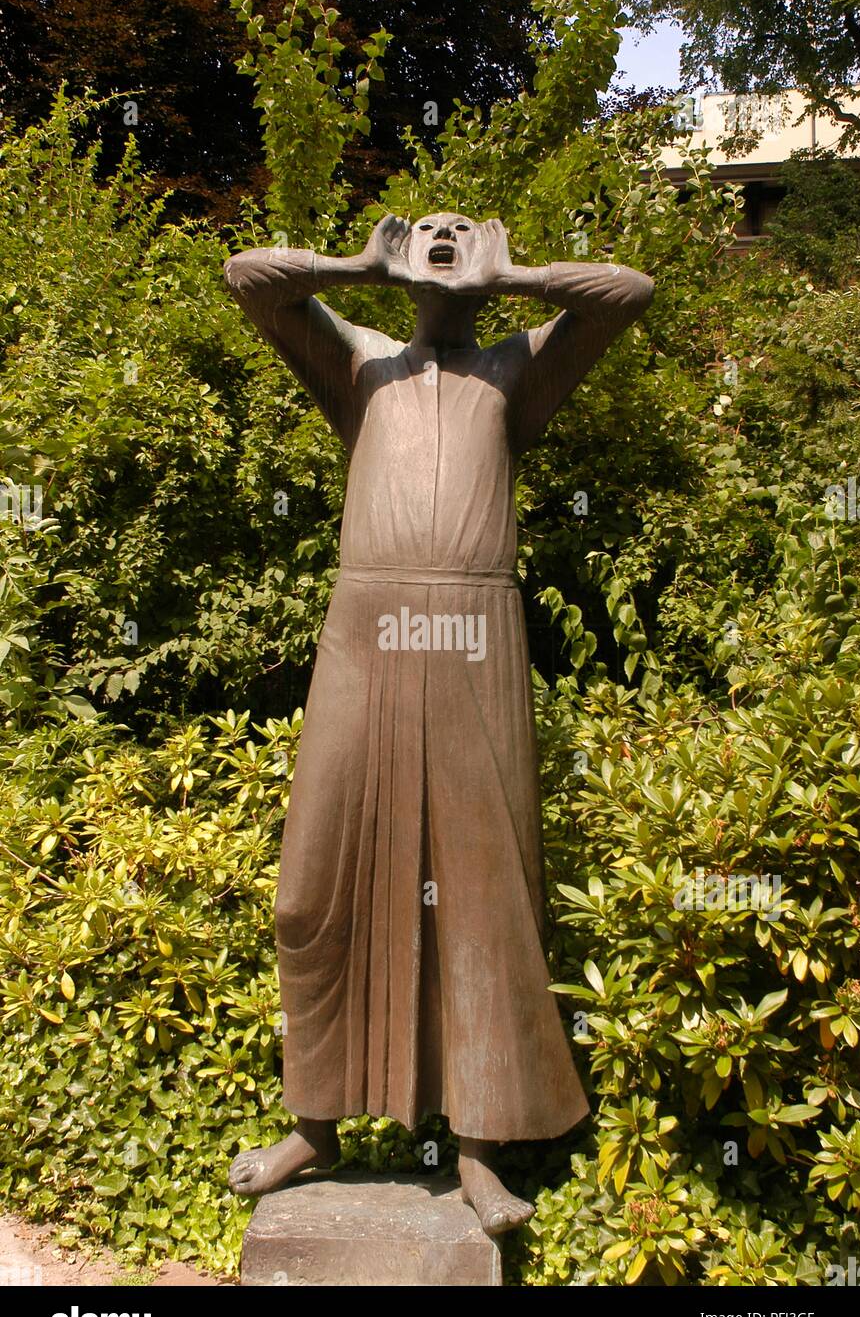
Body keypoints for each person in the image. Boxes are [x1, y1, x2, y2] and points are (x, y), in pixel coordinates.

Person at [223, 213, 654, 1234]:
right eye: (431, 229)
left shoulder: (515, 372)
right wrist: (351, 265)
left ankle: (478, 1151)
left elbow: (629, 291)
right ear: (399, 250)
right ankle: (315, 1127)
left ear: (491, 249)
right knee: (311, 879)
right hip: (366, 628)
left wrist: (528, 274)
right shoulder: (358, 364)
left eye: (468, 229)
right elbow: (248, 280)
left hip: (473, 633)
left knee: (482, 887)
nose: (447, 236)